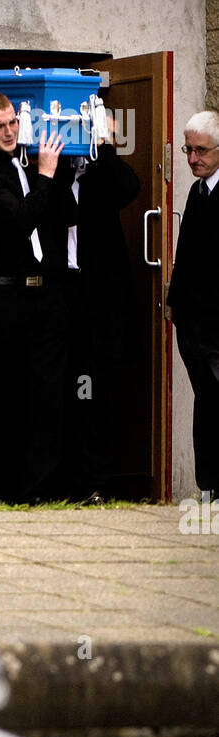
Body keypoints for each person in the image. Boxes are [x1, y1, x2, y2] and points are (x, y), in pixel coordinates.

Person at [0, 92, 77, 503]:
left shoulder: (34, 162)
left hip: (47, 298)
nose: (10, 132)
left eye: (13, 122)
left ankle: (41, 491)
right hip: (6, 301)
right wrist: (46, 176)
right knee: (8, 395)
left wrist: (58, 173)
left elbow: (66, 215)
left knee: (48, 396)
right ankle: (2, 490)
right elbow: (18, 222)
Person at [57, 125, 141, 502]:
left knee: (95, 395)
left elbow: (129, 187)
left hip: (98, 305)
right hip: (58, 301)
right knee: (60, 393)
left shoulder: (102, 177)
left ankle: (93, 484)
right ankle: (60, 479)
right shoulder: (48, 172)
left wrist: (104, 145)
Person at [168, 110, 219, 496]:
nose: (192, 159)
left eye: (201, 150)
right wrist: (174, 304)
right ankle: (209, 487)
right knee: (207, 404)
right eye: (188, 149)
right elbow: (185, 255)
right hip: (194, 324)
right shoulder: (197, 191)